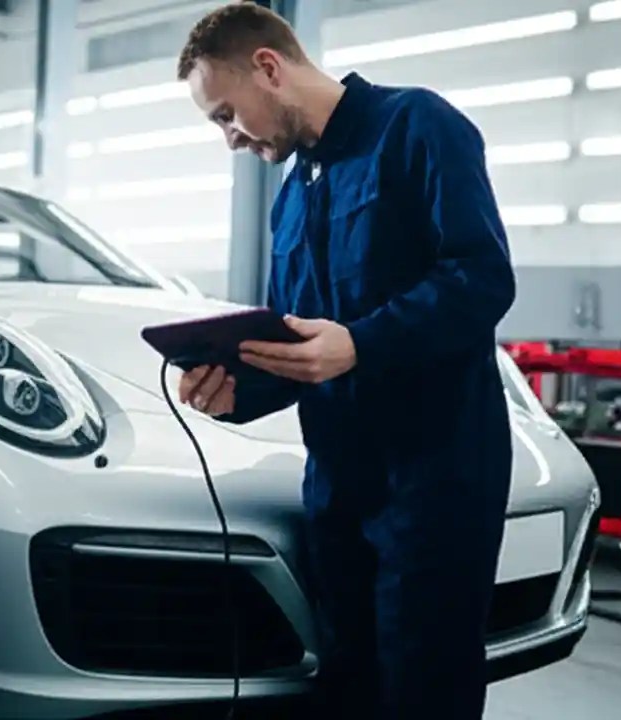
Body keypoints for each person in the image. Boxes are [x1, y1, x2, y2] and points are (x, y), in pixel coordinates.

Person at [174, 3, 517, 717]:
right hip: (337, 487)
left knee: (424, 684)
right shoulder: (292, 197)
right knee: (349, 683)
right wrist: (230, 389)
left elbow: (482, 278)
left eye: (225, 114)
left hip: (436, 479)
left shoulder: (419, 126)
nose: (230, 140)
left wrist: (364, 343)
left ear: (268, 67)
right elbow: (296, 347)